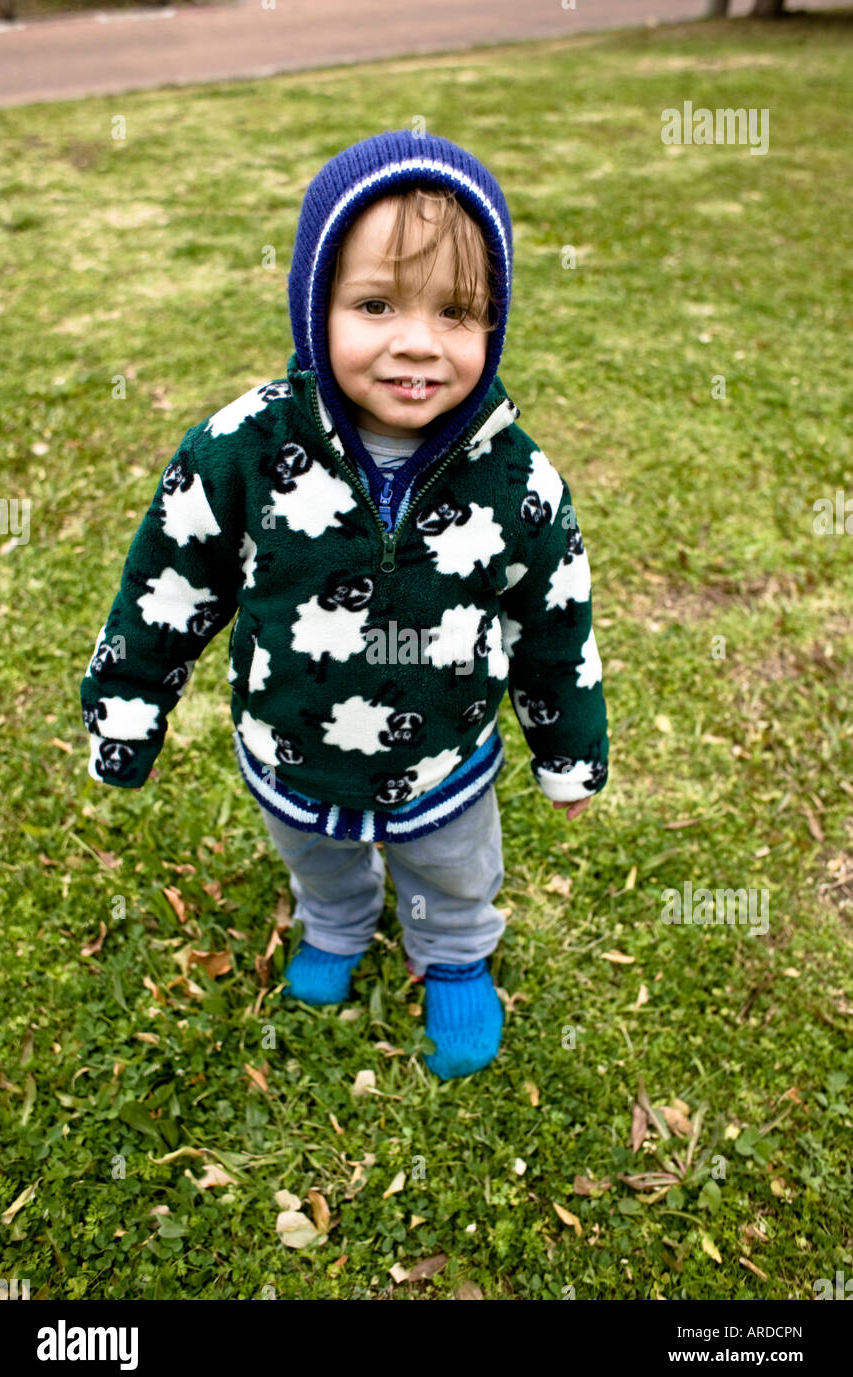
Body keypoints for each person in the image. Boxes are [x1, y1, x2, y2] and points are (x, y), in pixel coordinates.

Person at [80, 129, 609, 1079]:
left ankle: (452, 956)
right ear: (312, 305)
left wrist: (568, 750)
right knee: (315, 856)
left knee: (454, 873)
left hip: (443, 757)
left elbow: (554, 626)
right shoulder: (240, 450)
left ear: (496, 322)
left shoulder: (518, 480)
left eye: (457, 312)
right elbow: (168, 585)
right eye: (374, 305)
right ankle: (336, 923)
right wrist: (130, 709)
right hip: (290, 745)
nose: (417, 342)